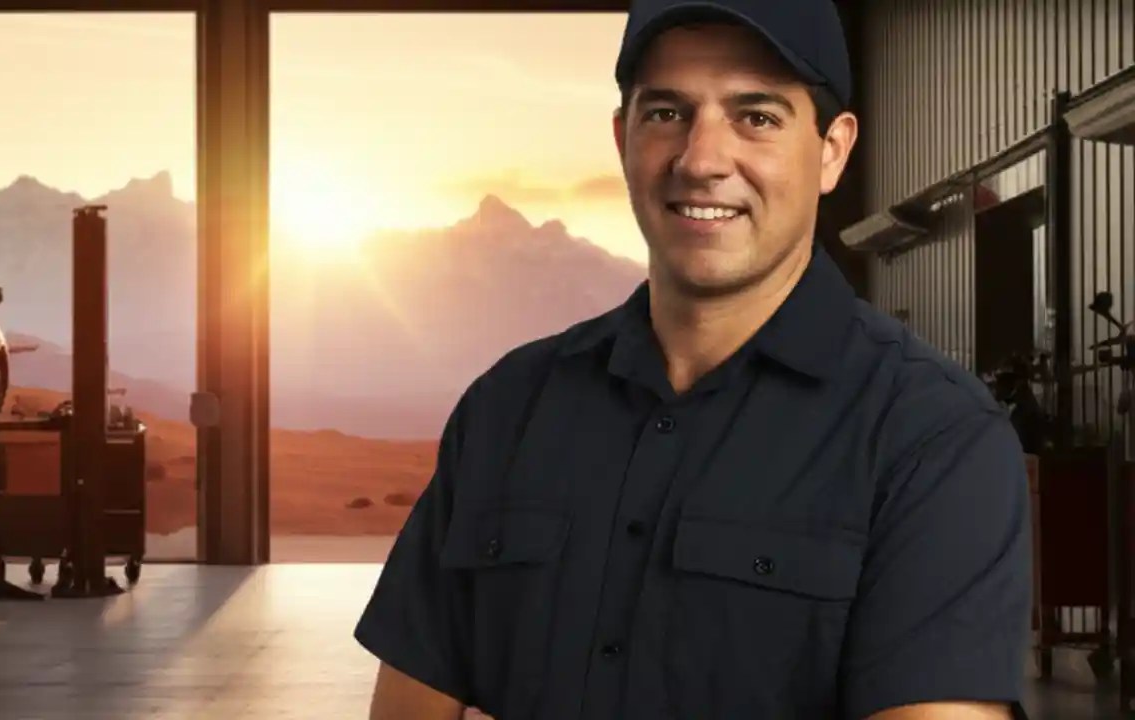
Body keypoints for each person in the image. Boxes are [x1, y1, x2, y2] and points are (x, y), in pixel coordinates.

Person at [354, 0, 1033, 718]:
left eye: (756, 116)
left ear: (832, 150)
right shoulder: (506, 409)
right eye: (667, 113)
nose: (701, 160)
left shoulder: (934, 439)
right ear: (623, 138)